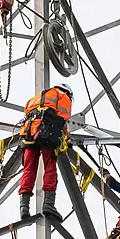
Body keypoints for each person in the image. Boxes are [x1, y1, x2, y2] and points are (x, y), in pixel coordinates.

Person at [17, 85, 73, 220]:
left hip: (28, 134)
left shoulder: (34, 99)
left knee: (29, 169)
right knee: (50, 167)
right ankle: (48, 204)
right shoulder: (62, 96)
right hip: (46, 133)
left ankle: (24, 207)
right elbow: (61, 120)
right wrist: (67, 139)